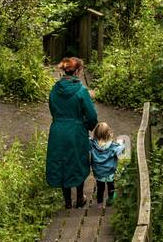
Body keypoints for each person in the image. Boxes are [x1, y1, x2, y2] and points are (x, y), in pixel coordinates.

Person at [46, 56, 98, 209]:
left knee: (62, 162)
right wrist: (87, 125)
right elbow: (92, 116)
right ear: (78, 71)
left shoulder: (54, 90)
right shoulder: (81, 91)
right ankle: (80, 198)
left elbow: (52, 109)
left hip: (58, 131)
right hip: (76, 131)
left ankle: (67, 202)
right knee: (78, 161)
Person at [89, 121, 123, 206]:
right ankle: (110, 200)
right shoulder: (112, 146)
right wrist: (121, 143)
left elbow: (87, 140)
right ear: (108, 134)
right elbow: (120, 149)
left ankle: (99, 203)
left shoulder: (92, 144)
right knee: (111, 186)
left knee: (100, 188)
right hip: (110, 172)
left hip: (99, 172)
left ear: (96, 133)